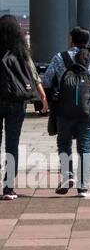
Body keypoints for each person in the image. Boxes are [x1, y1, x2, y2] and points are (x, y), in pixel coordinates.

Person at [43, 27, 90, 196]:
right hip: (88, 109)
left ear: (71, 40)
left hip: (64, 109)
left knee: (64, 143)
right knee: (84, 147)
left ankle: (67, 176)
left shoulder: (59, 57)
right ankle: (83, 186)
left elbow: (47, 81)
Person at [0, 15, 48, 199]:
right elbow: (33, 75)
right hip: (17, 101)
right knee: (12, 144)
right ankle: (8, 188)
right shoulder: (21, 51)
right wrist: (43, 97)